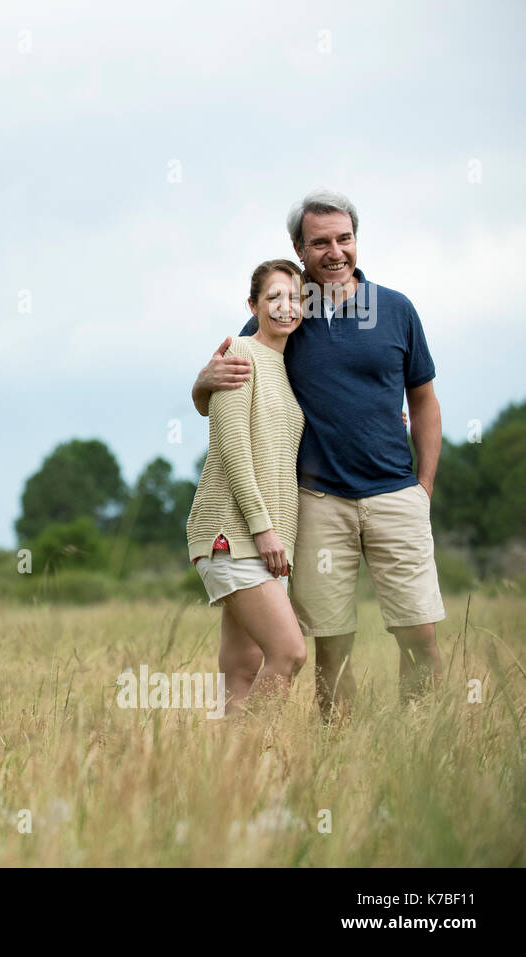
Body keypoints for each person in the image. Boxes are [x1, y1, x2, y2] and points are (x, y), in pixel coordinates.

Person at [191, 190, 445, 721]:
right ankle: (334, 754)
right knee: (331, 646)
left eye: (344, 238)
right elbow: (232, 381)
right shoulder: (290, 310)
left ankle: (425, 748)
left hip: (397, 494)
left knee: (419, 633)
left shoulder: (395, 309)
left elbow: (423, 401)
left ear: (356, 239)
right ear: (299, 248)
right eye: (320, 242)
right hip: (318, 503)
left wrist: (424, 486)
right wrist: (199, 384)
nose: (335, 251)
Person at [187, 260, 307, 713]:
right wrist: (263, 528)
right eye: (274, 297)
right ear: (253, 304)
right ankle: (250, 753)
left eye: (295, 298)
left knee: (243, 665)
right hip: (232, 536)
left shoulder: (284, 367)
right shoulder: (239, 353)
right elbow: (235, 450)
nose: (285, 306)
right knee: (290, 653)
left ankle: (228, 775)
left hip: (261, 542)